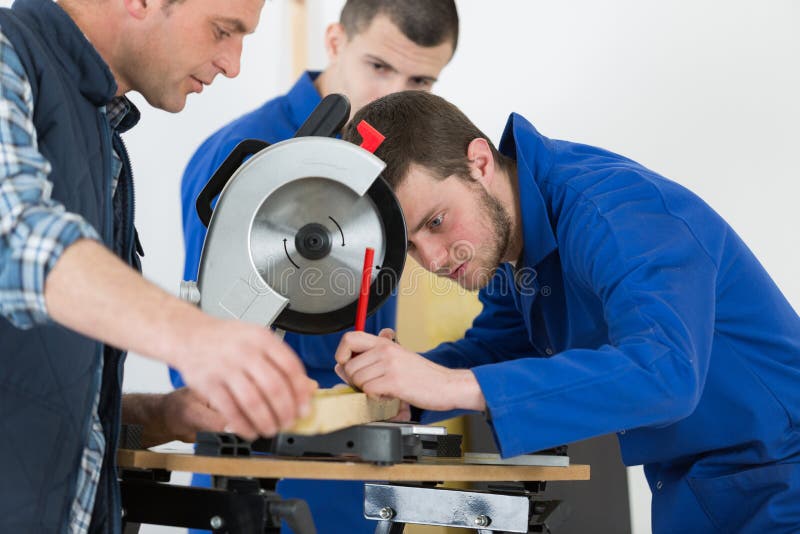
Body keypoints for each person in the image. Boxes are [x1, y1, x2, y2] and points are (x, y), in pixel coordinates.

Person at [337, 91, 800, 533]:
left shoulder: (615, 214)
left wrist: (447, 385)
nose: (435, 259)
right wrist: (407, 387)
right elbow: (503, 348)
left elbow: (666, 373)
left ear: (479, 162)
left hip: (782, 487)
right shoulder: (510, 240)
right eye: (411, 246)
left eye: (436, 222)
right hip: (700, 493)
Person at [0, 0, 318, 532]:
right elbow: (18, 235)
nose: (233, 64)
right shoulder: (7, 58)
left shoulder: (100, 132)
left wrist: (162, 415)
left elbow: (36, 390)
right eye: (223, 30)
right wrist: (195, 337)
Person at [172, 1, 458, 531]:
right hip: (255, 487)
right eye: (378, 66)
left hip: (360, 491)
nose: (393, 94)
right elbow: (200, 350)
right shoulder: (245, 155)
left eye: (420, 80)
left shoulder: (392, 168)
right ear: (335, 41)